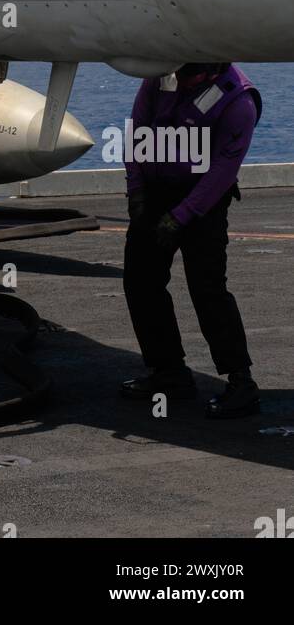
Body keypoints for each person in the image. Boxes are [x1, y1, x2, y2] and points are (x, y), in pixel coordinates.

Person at [120, 62, 262, 418]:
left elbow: (221, 173)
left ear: (211, 71)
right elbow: (137, 131)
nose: (180, 82)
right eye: (178, 74)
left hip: (205, 203)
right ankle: (169, 372)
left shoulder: (238, 101)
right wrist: (135, 192)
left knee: (208, 288)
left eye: (189, 77)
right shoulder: (161, 74)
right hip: (155, 193)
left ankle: (241, 382)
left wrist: (180, 216)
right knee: (141, 282)